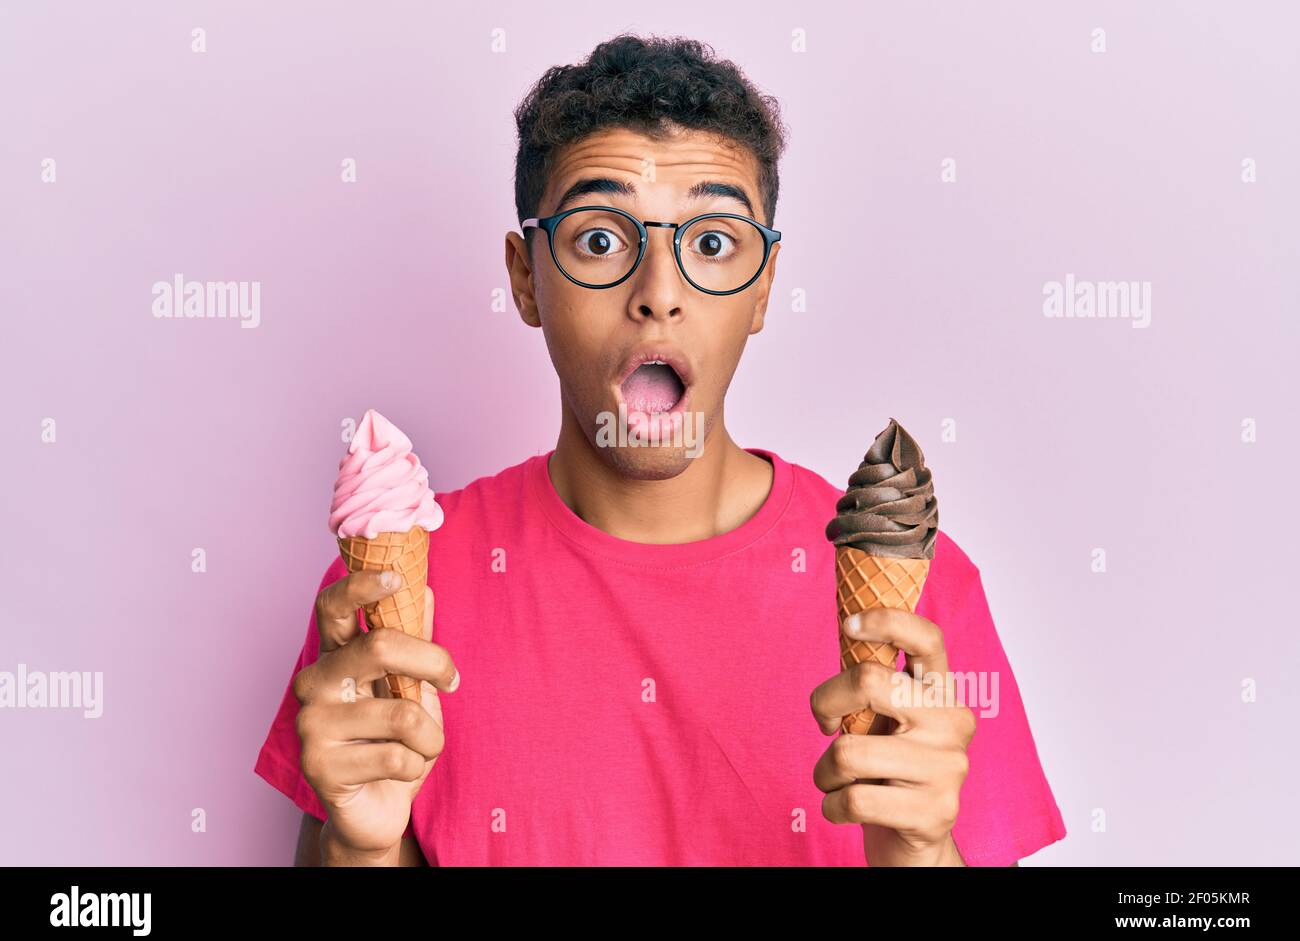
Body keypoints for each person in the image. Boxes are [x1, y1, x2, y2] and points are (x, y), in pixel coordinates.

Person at [255, 33, 1066, 866]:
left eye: (712, 242)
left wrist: (921, 854)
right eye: (600, 239)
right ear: (526, 277)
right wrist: (358, 847)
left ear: (763, 288)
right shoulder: (396, 590)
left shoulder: (924, 592)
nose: (660, 295)